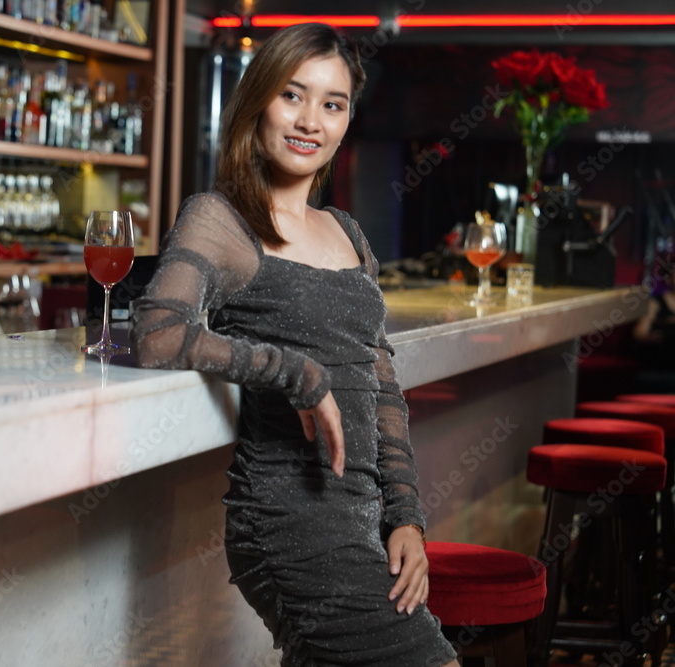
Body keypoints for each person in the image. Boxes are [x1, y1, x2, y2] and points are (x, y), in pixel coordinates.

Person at [131, 23, 459, 667]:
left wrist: (406, 517)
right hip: (286, 516)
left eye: (332, 104)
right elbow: (157, 333)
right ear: (258, 101)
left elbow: (380, 378)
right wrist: (292, 372)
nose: (311, 120)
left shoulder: (346, 230)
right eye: (293, 96)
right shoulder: (220, 217)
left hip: (363, 518)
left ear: (345, 121)